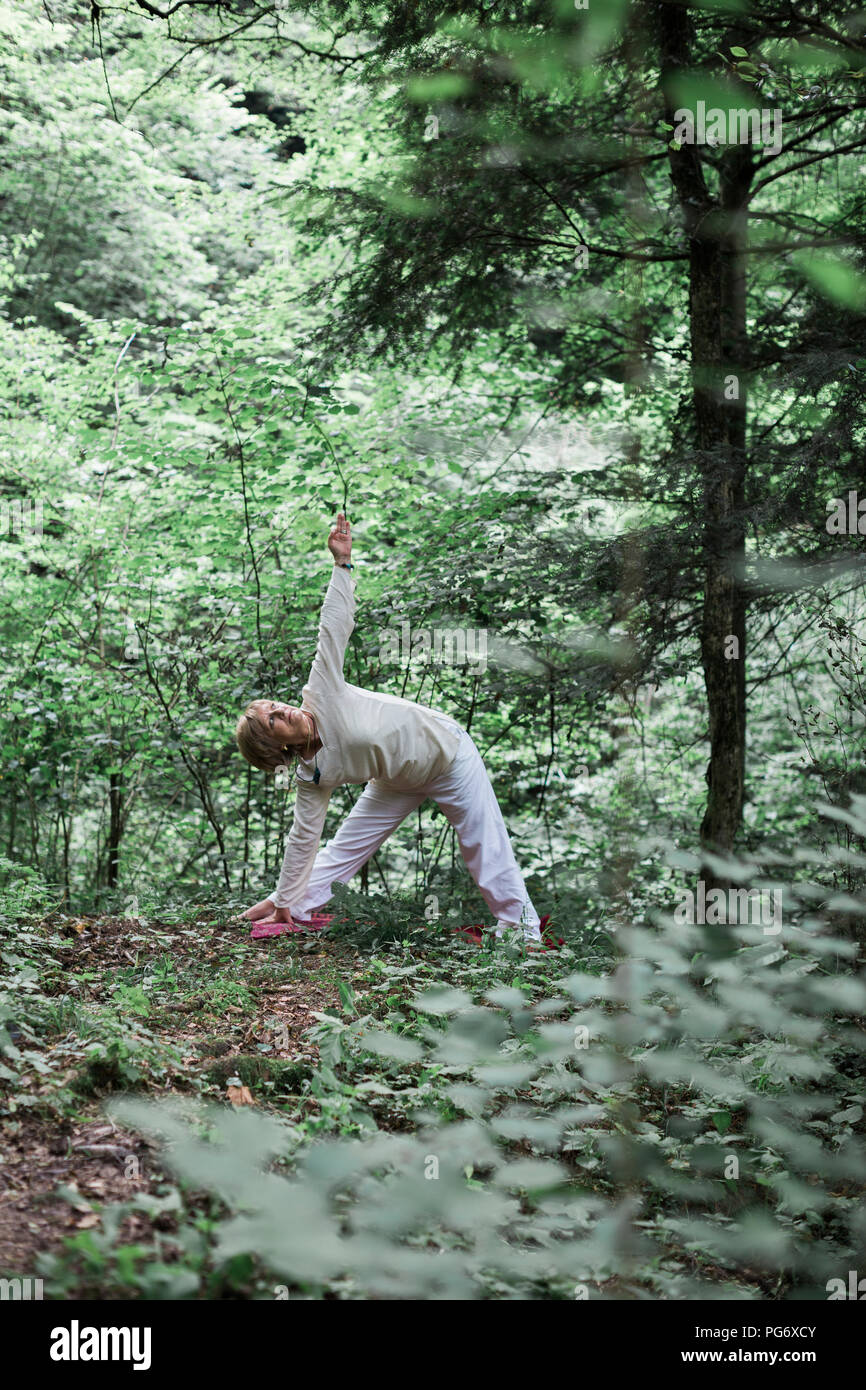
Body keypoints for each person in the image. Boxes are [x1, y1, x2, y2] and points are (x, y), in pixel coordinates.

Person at [235, 513, 547, 944]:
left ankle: (523, 934)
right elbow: (303, 838)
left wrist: (342, 565)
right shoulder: (312, 774)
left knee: (481, 844)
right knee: (342, 848)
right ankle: (292, 908)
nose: (282, 710)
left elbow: (333, 629)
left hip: (447, 756)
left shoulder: (320, 692)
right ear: (274, 746)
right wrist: (285, 896)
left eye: (274, 705)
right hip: (396, 779)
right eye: (272, 720)